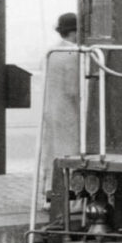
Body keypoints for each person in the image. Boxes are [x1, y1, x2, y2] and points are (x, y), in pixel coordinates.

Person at [39, 12, 81, 209]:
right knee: (70, 155)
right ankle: (71, 201)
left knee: (51, 154)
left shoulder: (51, 53)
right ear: (76, 32)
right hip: (69, 114)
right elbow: (73, 90)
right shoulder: (73, 55)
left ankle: (50, 197)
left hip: (51, 111)